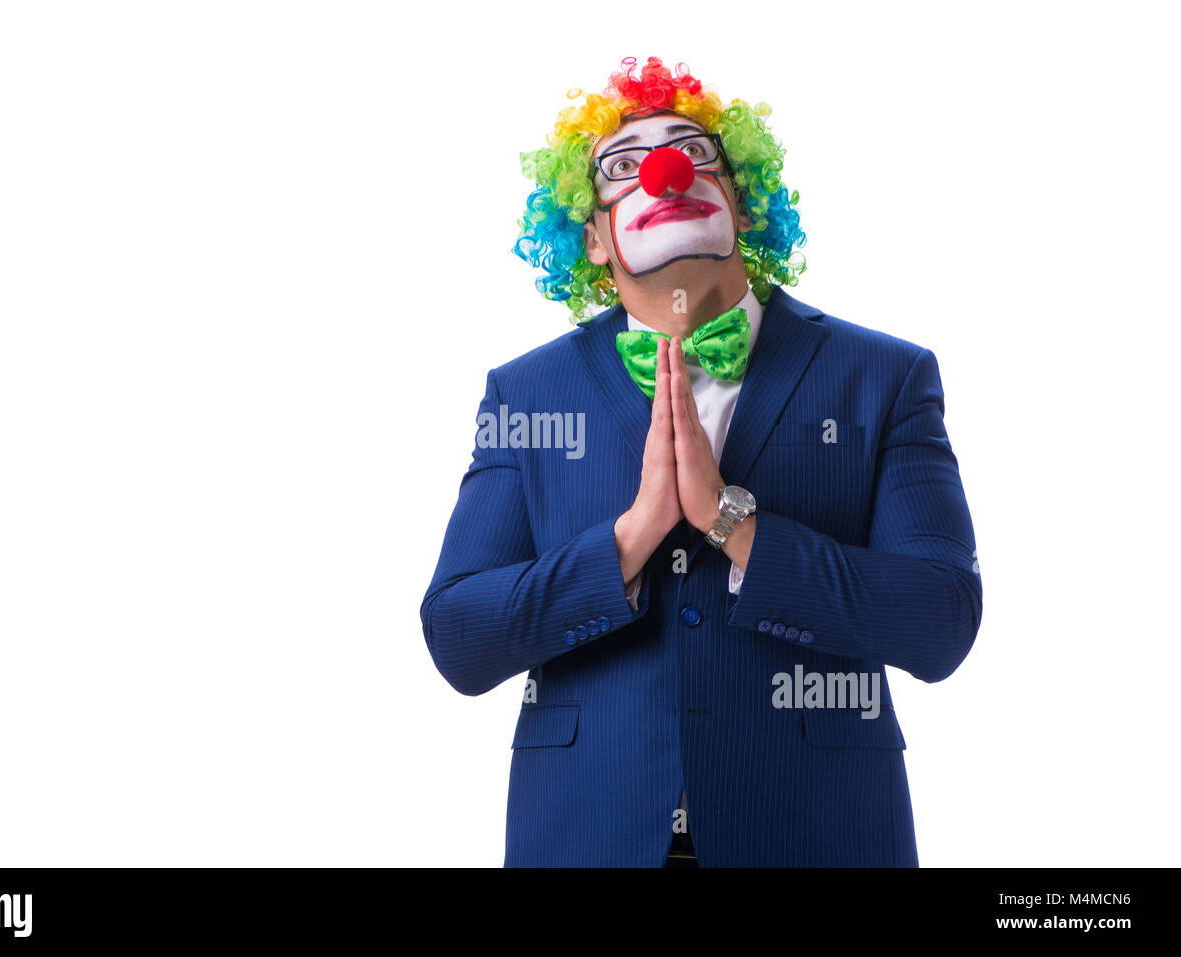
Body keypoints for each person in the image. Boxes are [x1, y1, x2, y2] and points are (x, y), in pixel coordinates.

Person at [420, 55, 982, 867]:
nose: (665, 169)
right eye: (624, 167)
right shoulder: (525, 393)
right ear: (590, 236)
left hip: (817, 835)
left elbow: (941, 620)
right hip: (586, 835)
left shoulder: (884, 377)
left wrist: (736, 522)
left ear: (745, 204)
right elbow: (459, 634)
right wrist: (630, 538)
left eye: (693, 151)